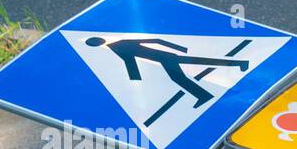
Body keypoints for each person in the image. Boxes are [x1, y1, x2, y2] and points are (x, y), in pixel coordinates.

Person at [84, 36, 249, 108]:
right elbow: (134, 59)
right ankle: (240, 63)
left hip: (163, 58)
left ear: (96, 44)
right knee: (200, 62)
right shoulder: (118, 44)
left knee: (179, 78)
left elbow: (131, 60)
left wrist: (135, 81)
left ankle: (204, 95)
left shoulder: (118, 46)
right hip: (162, 58)